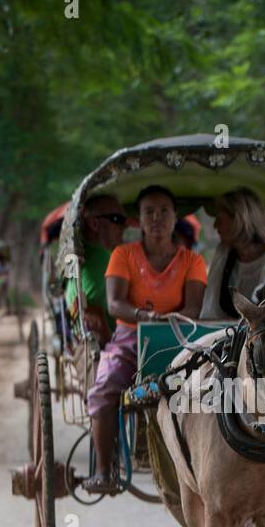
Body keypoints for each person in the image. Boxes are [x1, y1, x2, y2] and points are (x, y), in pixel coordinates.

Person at [85, 185, 206, 494]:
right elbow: (115, 304)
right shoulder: (123, 255)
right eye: (149, 212)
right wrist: (146, 317)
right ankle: (103, 470)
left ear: (175, 217)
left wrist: (168, 321)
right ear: (137, 219)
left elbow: (193, 307)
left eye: (164, 211)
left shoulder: (193, 261)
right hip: (130, 338)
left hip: (180, 337)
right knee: (103, 387)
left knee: (215, 388)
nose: (157, 218)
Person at [199, 187, 265, 320]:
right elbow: (210, 310)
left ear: (238, 220)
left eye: (220, 218)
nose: (215, 225)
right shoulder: (224, 253)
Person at [65, 194, 125, 346]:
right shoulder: (105, 259)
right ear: (94, 224)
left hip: (83, 347)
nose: (125, 226)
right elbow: (94, 313)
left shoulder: (76, 260)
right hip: (111, 349)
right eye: (117, 220)